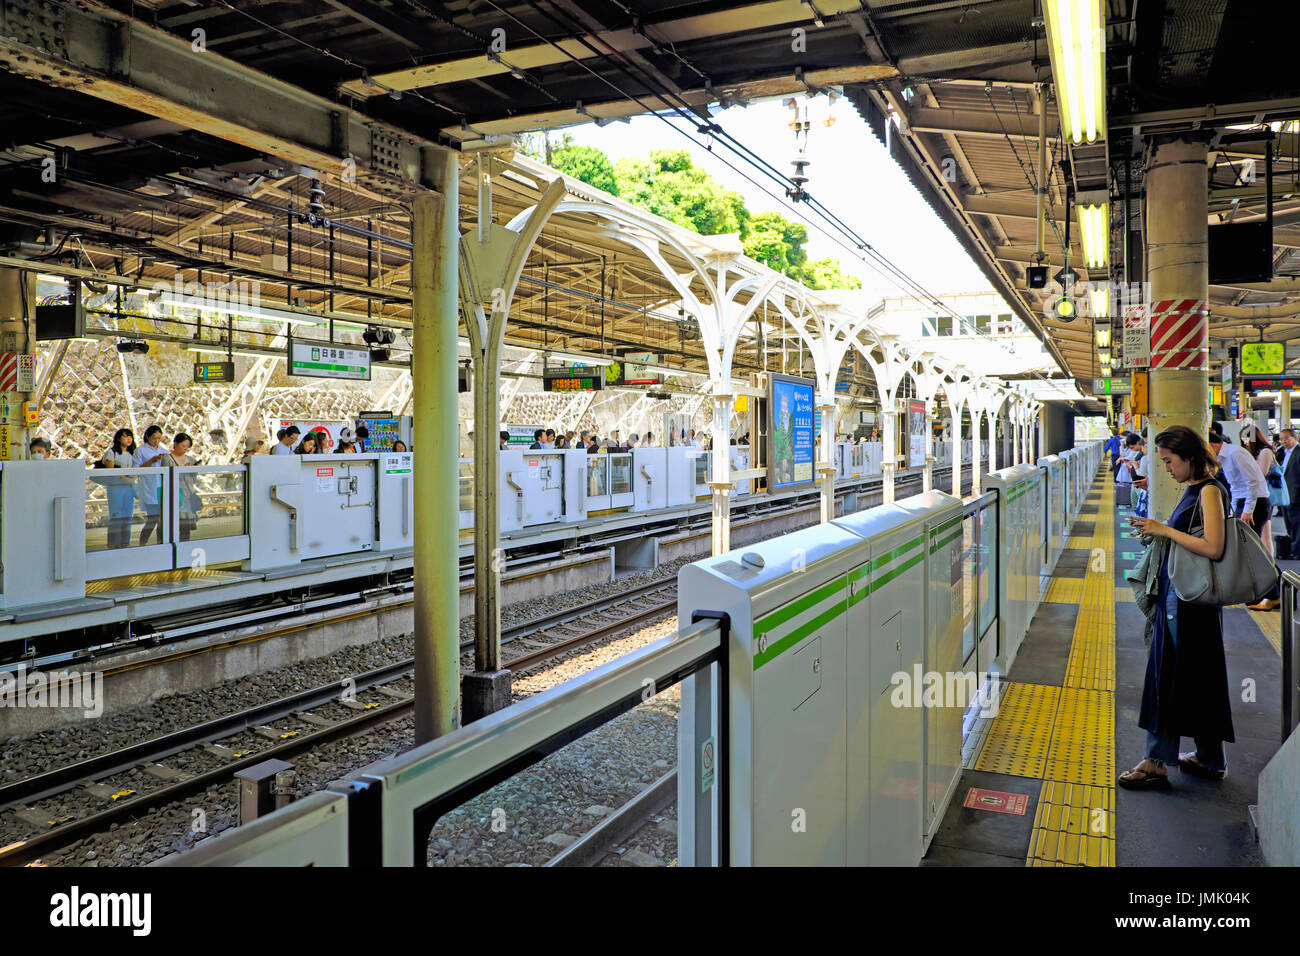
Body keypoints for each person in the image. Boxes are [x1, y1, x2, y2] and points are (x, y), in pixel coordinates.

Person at [1122, 425, 1234, 789]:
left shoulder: (1210, 492)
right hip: (1190, 598)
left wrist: (1164, 530)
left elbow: (1214, 548)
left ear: (1188, 456)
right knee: (1201, 674)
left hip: (1186, 601)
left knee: (1164, 671)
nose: (1166, 468)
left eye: (1170, 461)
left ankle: (1155, 761)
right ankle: (1209, 757)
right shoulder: (1199, 490)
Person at [1208, 431, 1267, 533]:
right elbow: (1234, 485)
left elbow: (1252, 480)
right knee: (1241, 543)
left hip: (1255, 502)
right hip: (1244, 501)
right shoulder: (1224, 457)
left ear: (1210, 445)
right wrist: (1233, 510)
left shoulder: (1235, 452)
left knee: (1249, 544)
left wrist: (1248, 510)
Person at [101, 428, 137, 549]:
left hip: (128, 488)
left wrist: (132, 479)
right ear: (118, 438)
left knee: (127, 515)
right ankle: (113, 543)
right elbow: (111, 470)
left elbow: (135, 470)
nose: (129, 439)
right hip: (115, 487)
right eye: (126, 436)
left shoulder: (132, 453)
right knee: (116, 515)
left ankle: (125, 542)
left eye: (130, 436)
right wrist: (125, 479)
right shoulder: (112, 452)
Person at [133, 425, 169, 546]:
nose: (156, 441)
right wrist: (150, 461)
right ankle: (142, 542)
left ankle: (161, 542)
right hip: (149, 488)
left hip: (162, 487)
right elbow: (135, 469)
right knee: (153, 518)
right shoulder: (141, 450)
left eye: (159, 438)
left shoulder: (164, 451)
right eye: (154, 438)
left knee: (163, 519)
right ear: (148, 436)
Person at [163, 433, 200, 542]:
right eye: (183, 446)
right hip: (174, 494)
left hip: (187, 495)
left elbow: (193, 479)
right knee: (174, 524)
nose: (185, 449)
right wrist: (183, 469)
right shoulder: (167, 459)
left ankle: (184, 547)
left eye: (187, 447)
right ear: (175, 444)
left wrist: (193, 470)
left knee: (185, 528)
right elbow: (167, 477)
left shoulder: (190, 459)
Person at [1281, 428, 1300, 560]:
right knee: (1289, 523)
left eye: (1286, 438)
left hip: (1296, 494)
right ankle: (1293, 549)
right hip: (1286, 494)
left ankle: (1297, 551)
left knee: (1297, 524)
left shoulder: (1298, 452)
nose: (1283, 441)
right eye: (1281, 439)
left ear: (1295, 438)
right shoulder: (1284, 453)